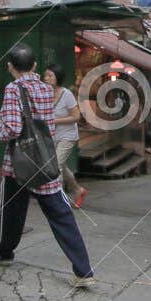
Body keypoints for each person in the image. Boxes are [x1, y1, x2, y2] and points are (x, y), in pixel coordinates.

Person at [0, 44, 96, 287]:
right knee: (62, 214)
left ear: (10, 67)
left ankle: (2, 253)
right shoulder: (46, 88)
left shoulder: (13, 89)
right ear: (34, 66)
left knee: (8, 211)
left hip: (18, 164)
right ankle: (83, 271)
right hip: (44, 160)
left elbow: (12, 129)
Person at [43, 64, 87, 209]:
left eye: (50, 75)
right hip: (53, 136)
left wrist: (55, 121)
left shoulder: (66, 94)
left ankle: (59, 201)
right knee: (62, 166)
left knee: (56, 167)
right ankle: (78, 190)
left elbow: (76, 116)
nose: (46, 78)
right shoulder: (45, 94)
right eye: (45, 75)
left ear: (58, 78)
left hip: (67, 136)